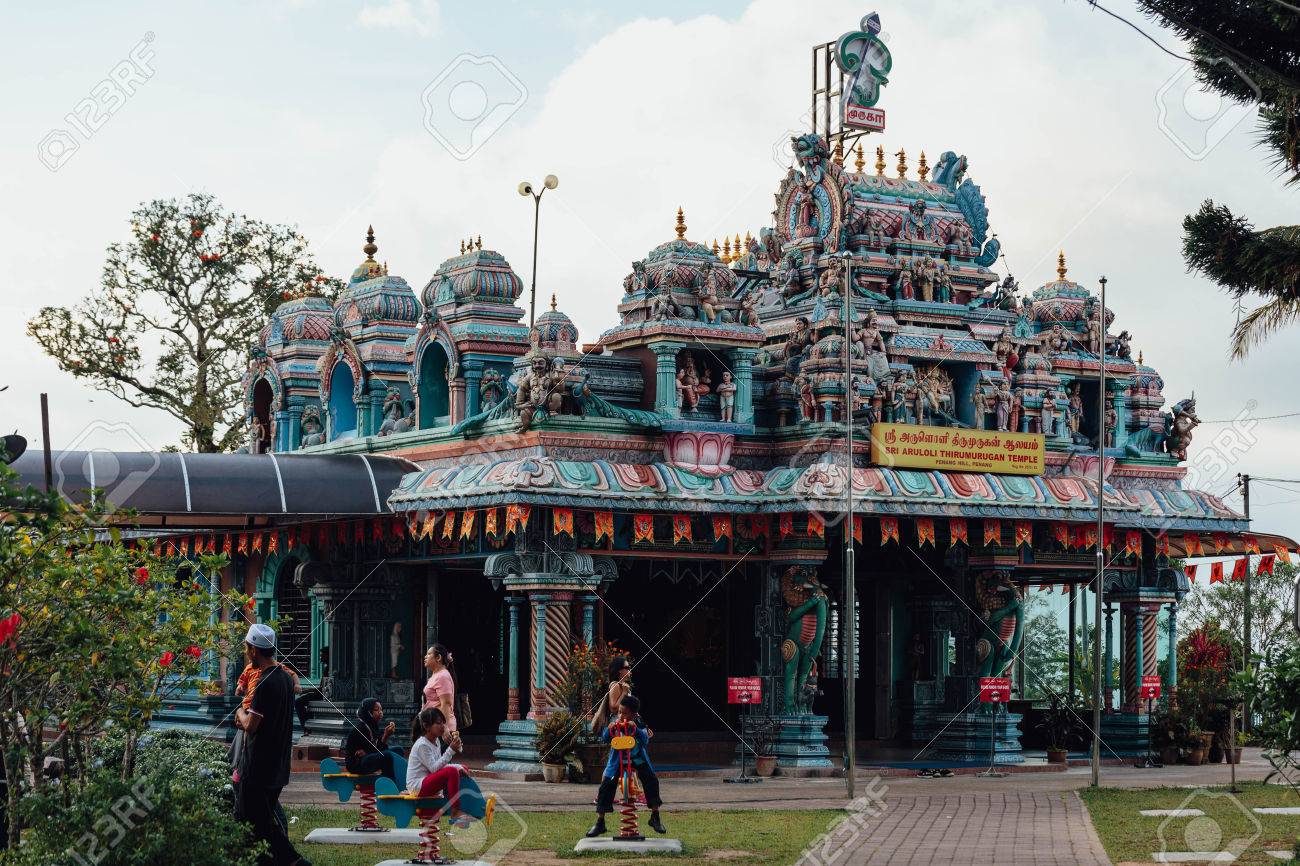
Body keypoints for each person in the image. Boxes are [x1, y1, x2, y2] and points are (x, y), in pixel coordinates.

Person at [234, 624, 309, 866]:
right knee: (260, 822)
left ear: (254, 650)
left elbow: (250, 725)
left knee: (255, 822)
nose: (247, 653)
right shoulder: (286, 679)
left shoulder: (264, 683)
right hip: (278, 764)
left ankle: (295, 861)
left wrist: (240, 712)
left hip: (257, 765)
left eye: (247, 649)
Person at [585, 694, 665, 838]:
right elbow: (605, 737)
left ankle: (655, 816)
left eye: (625, 713)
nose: (621, 716)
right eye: (619, 712)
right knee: (606, 785)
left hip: (637, 759)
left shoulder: (639, 723)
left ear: (634, 714)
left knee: (651, 780)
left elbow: (645, 739)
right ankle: (600, 822)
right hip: (618, 761)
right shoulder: (615, 723)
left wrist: (637, 730)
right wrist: (609, 729)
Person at [406, 706, 472, 828]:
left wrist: (459, 767)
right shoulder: (422, 745)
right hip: (417, 786)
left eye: (443, 723)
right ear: (427, 726)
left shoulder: (436, 741)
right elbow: (434, 768)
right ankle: (455, 811)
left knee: (461, 768)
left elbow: (440, 765)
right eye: (438, 723)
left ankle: (464, 805)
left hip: (427, 781)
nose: (443, 726)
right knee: (451, 771)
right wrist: (451, 750)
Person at [343, 698, 404, 781]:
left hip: (368, 757)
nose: (380, 712)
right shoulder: (360, 728)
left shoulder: (373, 725)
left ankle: (399, 779)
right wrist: (385, 736)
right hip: (356, 764)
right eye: (376, 710)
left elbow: (378, 749)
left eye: (381, 709)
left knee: (398, 750)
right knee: (387, 756)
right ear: (368, 712)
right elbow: (376, 751)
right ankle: (387, 783)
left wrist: (385, 736)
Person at [421, 643, 458, 733]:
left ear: (438, 658)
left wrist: (444, 728)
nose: (425, 657)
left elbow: (446, 704)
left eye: (429, 654)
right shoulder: (436, 675)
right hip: (434, 727)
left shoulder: (443, 676)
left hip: (441, 729)